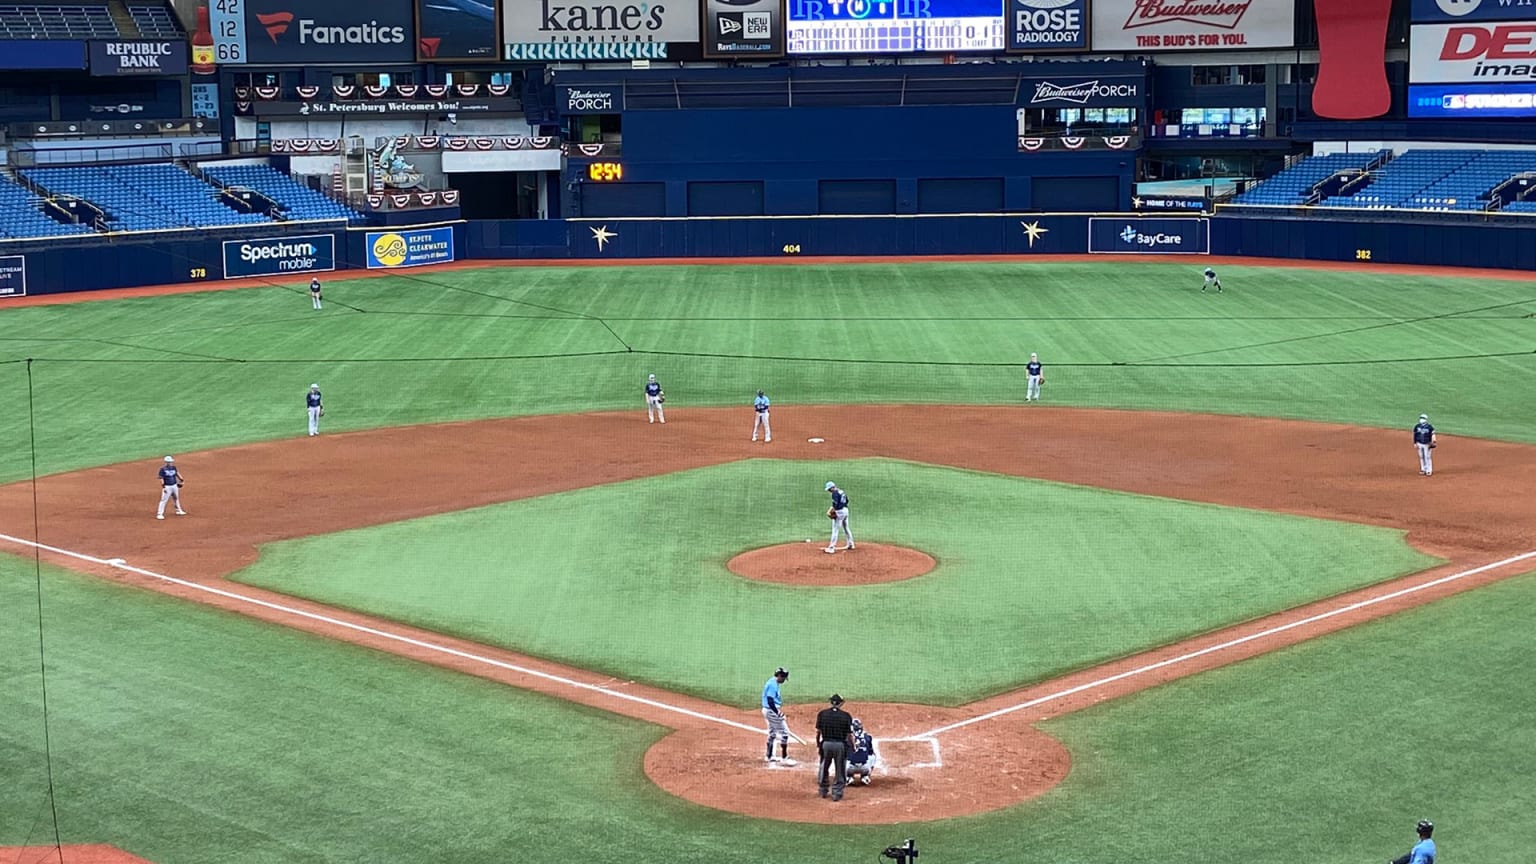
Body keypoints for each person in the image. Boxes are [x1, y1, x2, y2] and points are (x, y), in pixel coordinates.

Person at [815, 693, 854, 801]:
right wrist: (852, 746)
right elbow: (849, 735)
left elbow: (818, 733)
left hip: (826, 744)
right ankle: (837, 793)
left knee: (824, 767)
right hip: (840, 745)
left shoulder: (822, 714)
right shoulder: (846, 716)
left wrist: (819, 744)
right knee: (840, 769)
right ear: (841, 703)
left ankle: (823, 790)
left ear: (831, 702)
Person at [761, 667, 794, 765]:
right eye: (783, 678)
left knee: (772, 733)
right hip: (771, 711)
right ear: (779, 676)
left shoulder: (772, 682)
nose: (784, 680)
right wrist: (778, 713)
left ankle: (769, 756)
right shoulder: (773, 685)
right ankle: (784, 758)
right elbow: (770, 701)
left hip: (769, 710)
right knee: (785, 733)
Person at [846, 718, 877, 786]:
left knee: (840, 753)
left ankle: (848, 777)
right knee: (873, 755)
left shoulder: (846, 737)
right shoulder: (867, 736)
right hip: (865, 768)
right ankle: (865, 776)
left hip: (849, 768)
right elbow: (870, 752)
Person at [824, 481, 853, 554]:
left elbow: (835, 504)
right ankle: (851, 544)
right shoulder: (841, 491)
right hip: (846, 510)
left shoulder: (835, 493)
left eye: (829, 489)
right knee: (846, 528)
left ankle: (831, 548)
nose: (829, 491)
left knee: (835, 530)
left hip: (840, 512)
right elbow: (847, 501)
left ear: (832, 488)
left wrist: (832, 511)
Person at [155, 455, 186, 520]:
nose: (170, 463)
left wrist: (182, 480)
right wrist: (164, 487)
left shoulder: (173, 468)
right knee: (163, 500)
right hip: (167, 486)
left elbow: (177, 474)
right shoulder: (162, 469)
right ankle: (159, 514)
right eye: (169, 462)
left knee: (176, 498)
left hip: (174, 485)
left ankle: (178, 510)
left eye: (170, 462)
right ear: (166, 462)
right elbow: (161, 478)